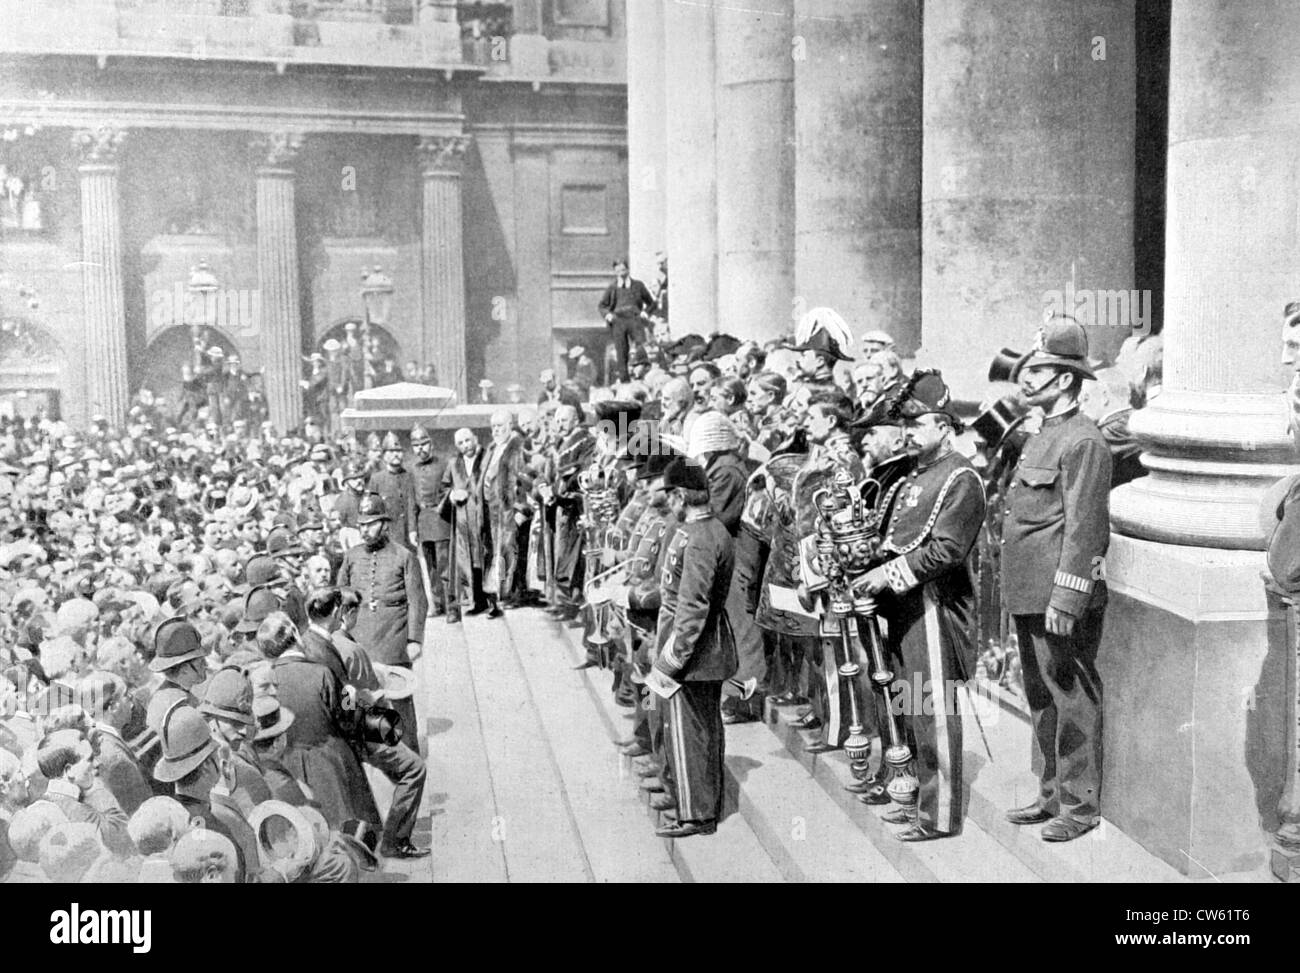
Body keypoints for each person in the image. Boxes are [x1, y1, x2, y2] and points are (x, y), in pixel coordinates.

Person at [999, 318, 1111, 843]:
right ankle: (1049, 795)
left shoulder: (1083, 441)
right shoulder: (1042, 434)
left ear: (1065, 379)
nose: (1024, 378)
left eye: (1038, 369)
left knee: (1071, 699)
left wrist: (1067, 597)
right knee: (1042, 698)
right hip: (1028, 593)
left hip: (1055, 598)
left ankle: (1079, 806)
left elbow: (1085, 528)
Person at [861, 371, 985, 841]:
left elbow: (946, 552)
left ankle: (939, 815)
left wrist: (884, 576)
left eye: (917, 424)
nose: (908, 433)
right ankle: (912, 797)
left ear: (945, 426)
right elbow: (891, 538)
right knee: (905, 705)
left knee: (931, 708)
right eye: (905, 425)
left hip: (934, 607)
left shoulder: (961, 478)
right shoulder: (913, 474)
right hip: (900, 605)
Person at [649, 457, 737, 839]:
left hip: (695, 652)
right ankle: (689, 800)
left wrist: (671, 660)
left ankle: (697, 814)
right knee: (692, 729)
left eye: (670, 496)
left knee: (690, 734)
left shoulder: (701, 537)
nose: (668, 503)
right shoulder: (697, 529)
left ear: (682, 495)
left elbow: (693, 607)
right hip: (691, 645)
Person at [335, 494, 427, 744]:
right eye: (362, 525)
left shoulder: (404, 556)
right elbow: (339, 595)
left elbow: (418, 601)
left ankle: (409, 751)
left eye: (371, 524)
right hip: (360, 639)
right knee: (362, 699)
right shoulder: (352, 556)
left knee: (399, 700)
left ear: (385, 524)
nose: (365, 530)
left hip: (394, 638)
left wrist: (414, 640)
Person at [480, 410, 532, 614]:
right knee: (499, 551)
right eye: (493, 427)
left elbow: (526, 480)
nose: (496, 431)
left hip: (510, 510)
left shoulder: (517, 447)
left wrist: (521, 510)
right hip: (494, 511)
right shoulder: (493, 447)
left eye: (500, 426)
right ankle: (502, 592)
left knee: (511, 551)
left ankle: (512, 594)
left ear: (511, 425)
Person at [439, 427, 489, 619]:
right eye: (460, 443)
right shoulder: (454, 464)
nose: (465, 446)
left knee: (486, 556)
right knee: (469, 560)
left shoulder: (487, 458)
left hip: (484, 517)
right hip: (463, 520)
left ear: (475, 438)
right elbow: (443, 487)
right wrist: (452, 494)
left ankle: (493, 597)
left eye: (468, 440)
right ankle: (475, 600)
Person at [410, 425, 449, 617]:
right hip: (423, 522)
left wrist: (442, 507)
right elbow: (412, 501)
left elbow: (450, 489)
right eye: (416, 445)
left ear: (431, 444)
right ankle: (439, 603)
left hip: (441, 520)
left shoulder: (443, 464)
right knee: (431, 567)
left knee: (444, 565)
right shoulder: (413, 470)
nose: (421, 449)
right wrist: (413, 528)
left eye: (424, 444)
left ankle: (452, 606)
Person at [597, 257, 656, 384]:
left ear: (628, 270)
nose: (621, 273)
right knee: (621, 351)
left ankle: (643, 376)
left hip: (634, 319)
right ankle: (625, 382)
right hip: (619, 322)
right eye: (618, 271)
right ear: (615, 272)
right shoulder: (612, 288)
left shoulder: (638, 285)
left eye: (623, 270)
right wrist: (608, 315)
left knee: (641, 346)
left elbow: (652, 303)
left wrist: (645, 312)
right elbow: (602, 305)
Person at [368, 432, 417, 549]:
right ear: (384, 455)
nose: (396, 454)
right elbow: (372, 510)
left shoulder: (409, 476)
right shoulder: (376, 479)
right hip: (386, 534)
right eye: (391, 451)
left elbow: (412, 506)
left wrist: (412, 530)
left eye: (399, 451)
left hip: (407, 535)